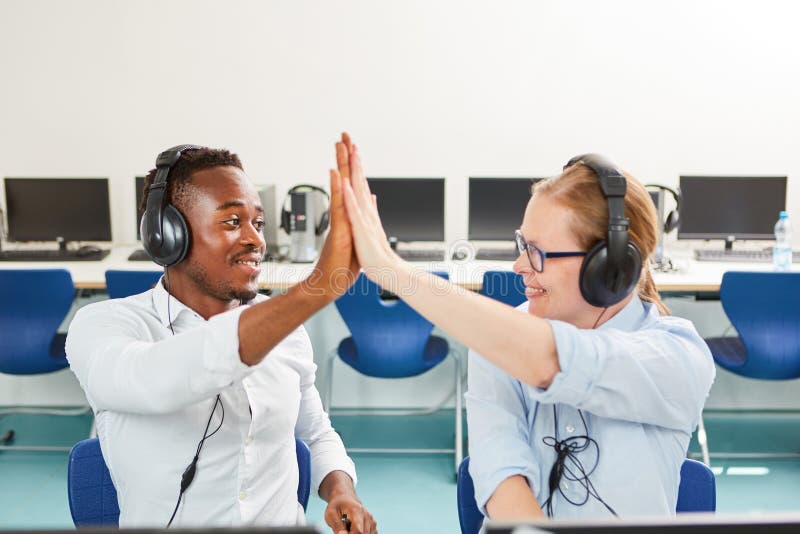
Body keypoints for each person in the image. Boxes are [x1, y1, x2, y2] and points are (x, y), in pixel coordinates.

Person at [336, 136, 714, 521]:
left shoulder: (680, 355)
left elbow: (556, 359)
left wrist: (392, 270)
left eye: (537, 252)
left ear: (610, 266)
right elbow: (502, 477)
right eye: (522, 244)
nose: (519, 265)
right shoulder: (498, 341)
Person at [66, 137, 377, 534]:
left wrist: (340, 490)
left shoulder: (285, 329)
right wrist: (315, 290)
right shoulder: (104, 327)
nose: (256, 240)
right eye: (232, 221)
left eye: (259, 223)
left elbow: (314, 430)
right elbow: (154, 380)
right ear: (168, 234)